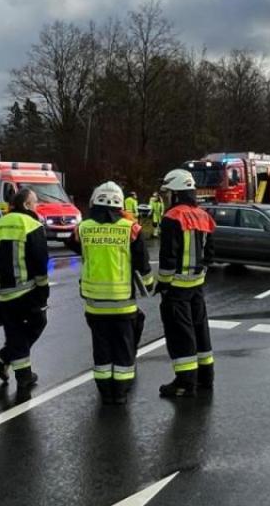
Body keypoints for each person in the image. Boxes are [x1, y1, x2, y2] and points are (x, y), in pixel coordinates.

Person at [68, 181, 152, 405]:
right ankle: (121, 392)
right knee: (123, 348)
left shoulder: (83, 228)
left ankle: (105, 391)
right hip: (123, 303)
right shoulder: (130, 229)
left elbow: (74, 244)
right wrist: (150, 285)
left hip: (94, 304)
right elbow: (143, 264)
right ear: (120, 203)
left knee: (101, 348)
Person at [156, 168, 216, 398]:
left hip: (177, 289)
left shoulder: (173, 217)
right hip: (197, 286)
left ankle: (184, 383)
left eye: (168, 193)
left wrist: (163, 283)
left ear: (177, 193)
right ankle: (205, 378)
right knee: (201, 331)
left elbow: (168, 258)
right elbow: (210, 255)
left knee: (180, 335)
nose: (165, 198)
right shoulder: (205, 216)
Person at [0, 188, 50, 391]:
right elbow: (40, 262)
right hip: (28, 290)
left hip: (5, 292)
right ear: (26, 205)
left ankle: (10, 363)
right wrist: (43, 290)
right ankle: (16, 369)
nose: (37, 206)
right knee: (37, 322)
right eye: (35, 202)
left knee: (15, 331)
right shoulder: (31, 225)